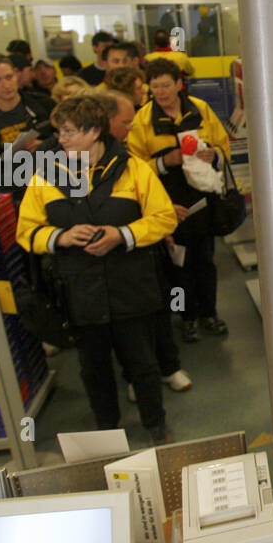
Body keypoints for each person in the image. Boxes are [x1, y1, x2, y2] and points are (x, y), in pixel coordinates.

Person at [17, 95, 178, 444]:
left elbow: (164, 218)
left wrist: (121, 235)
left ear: (94, 132)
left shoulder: (134, 169)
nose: (61, 139)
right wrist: (61, 236)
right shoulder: (47, 175)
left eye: (69, 131)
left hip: (131, 286)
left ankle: (156, 425)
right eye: (60, 132)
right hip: (79, 292)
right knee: (93, 370)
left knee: (143, 364)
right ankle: (107, 430)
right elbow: (26, 232)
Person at [90, 91, 194, 402]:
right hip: (114, 267)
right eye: (125, 123)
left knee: (162, 311)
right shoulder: (75, 167)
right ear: (105, 124)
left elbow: (156, 208)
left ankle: (169, 366)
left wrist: (159, 225)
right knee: (127, 329)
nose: (131, 128)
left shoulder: (130, 162)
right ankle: (135, 376)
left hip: (149, 255)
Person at [126, 57, 231, 342]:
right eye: (155, 86)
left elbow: (223, 144)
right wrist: (163, 161)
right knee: (176, 267)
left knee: (205, 261)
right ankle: (185, 318)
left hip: (202, 200)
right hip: (167, 204)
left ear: (179, 84)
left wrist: (215, 155)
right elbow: (133, 169)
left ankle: (209, 313)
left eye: (166, 85)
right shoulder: (142, 120)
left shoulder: (200, 109)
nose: (161, 91)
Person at [0, 52, 56, 200]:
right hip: (6, 191)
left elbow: (69, 142)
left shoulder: (44, 104)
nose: (6, 85)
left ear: (16, 74)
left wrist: (45, 144)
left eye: (9, 77)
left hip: (47, 182)